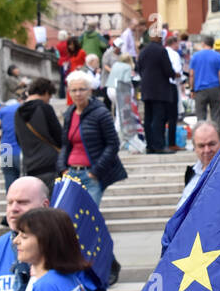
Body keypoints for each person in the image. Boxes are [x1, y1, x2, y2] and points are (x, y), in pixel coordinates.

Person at [11, 207, 101, 291]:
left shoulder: (46, 287)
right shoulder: (68, 276)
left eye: (24, 236)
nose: (15, 241)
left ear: (45, 241)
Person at [58, 70, 128, 207]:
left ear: (89, 90)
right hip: (71, 172)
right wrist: (62, 168)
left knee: (88, 217)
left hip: (91, 173)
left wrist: (96, 171)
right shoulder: (69, 114)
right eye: (74, 90)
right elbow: (65, 144)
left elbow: (113, 144)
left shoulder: (101, 113)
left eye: (82, 89)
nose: (78, 94)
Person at [14, 78, 64, 192]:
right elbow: (58, 136)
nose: (49, 100)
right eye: (49, 97)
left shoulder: (18, 112)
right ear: (46, 92)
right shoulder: (44, 107)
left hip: (30, 166)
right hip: (50, 164)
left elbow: (18, 139)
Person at [137, 33, 176, 155]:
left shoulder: (143, 51)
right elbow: (168, 70)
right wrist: (174, 74)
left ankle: (150, 145)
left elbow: (138, 68)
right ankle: (159, 145)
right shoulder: (161, 51)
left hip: (146, 89)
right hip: (159, 90)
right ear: (159, 38)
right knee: (158, 118)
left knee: (148, 119)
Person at [180, 121, 220, 209]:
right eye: (201, 146)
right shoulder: (191, 172)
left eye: (211, 144)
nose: (207, 150)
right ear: (194, 147)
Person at [190, 35, 220, 125]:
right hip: (215, 88)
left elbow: (191, 75)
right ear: (213, 45)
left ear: (203, 44)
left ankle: (201, 137)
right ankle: (216, 136)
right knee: (215, 116)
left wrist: (192, 89)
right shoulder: (218, 56)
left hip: (200, 89)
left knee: (201, 117)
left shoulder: (195, 56)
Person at [0, 99, 23, 192]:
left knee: (9, 182)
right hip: (20, 149)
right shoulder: (22, 108)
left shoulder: (2, 111)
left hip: (5, 150)